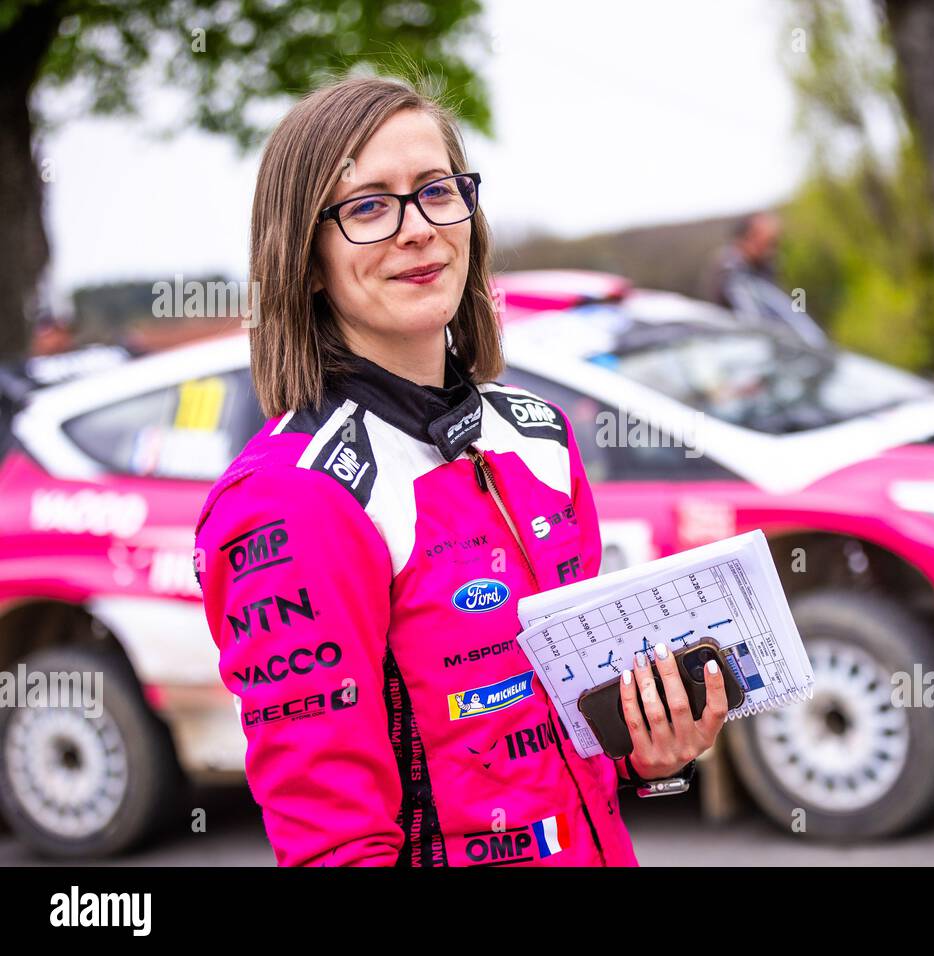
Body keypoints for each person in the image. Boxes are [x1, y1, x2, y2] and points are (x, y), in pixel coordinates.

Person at [192, 75, 728, 867]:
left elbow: (577, 742)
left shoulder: (539, 437)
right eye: (369, 205)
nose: (418, 229)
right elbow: (333, 846)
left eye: (437, 191)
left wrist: (655, 755)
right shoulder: (291, 499)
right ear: (305, 259)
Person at [706, 211, 829, 348]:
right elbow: (755, 323)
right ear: (749, 238)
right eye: (770, 242)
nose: (774, 250)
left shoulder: (762, 268)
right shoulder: (733, 274)